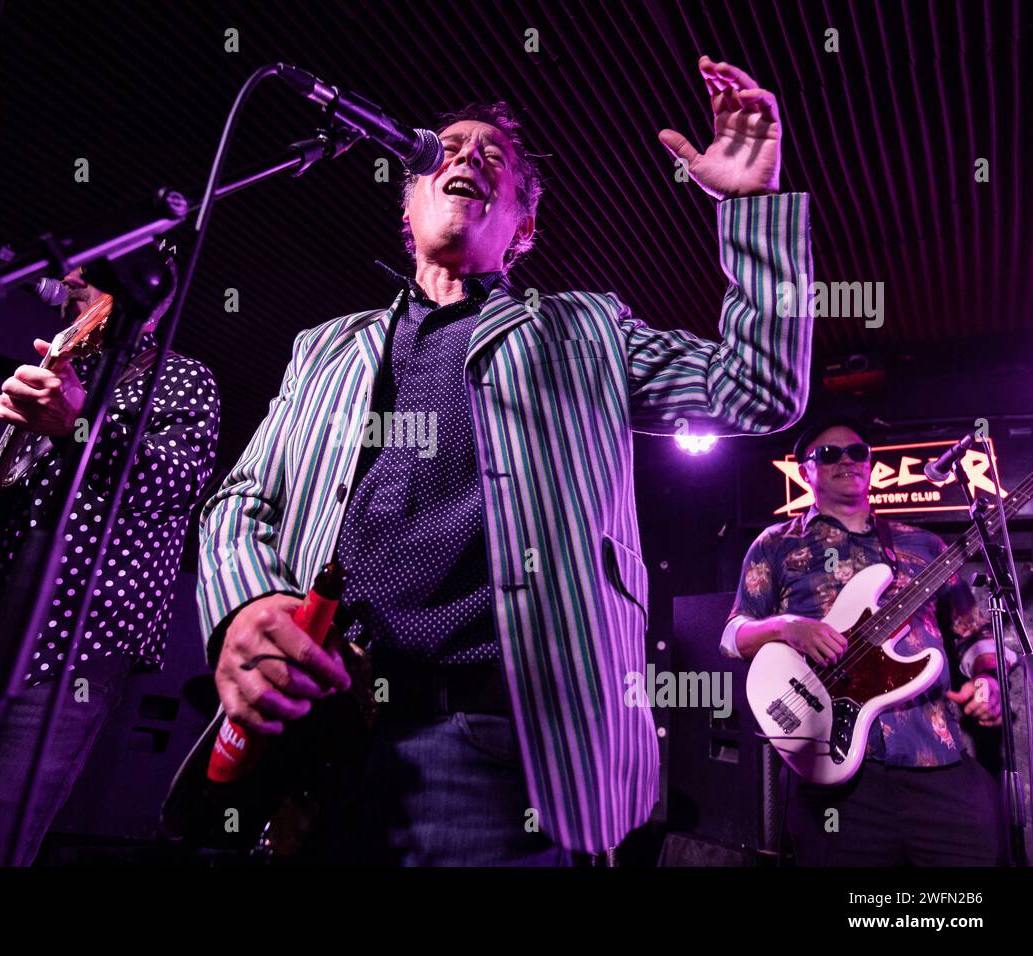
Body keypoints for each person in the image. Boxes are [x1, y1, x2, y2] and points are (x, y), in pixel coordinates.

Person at [197, 56, 814, 864]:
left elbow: (758, 389)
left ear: (523, 229)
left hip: (491, 750)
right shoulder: (324, 349)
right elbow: (241, 502)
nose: (465, 158)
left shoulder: (586, 331)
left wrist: (751, 209)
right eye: (448, 150)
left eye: (495, 160)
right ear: (409, 205)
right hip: (310, 741)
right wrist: (244, 609)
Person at [0, 267, 219, 864]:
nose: (73, 277)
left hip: (76, 642)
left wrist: (78, 424)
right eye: (71, 270)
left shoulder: (180, 377)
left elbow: (176, 484)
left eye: (98, 272)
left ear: (150, 301)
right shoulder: (56, 374)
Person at [722, 414, 1011, 865]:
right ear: (806, 472)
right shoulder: (775, 544)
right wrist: (788, 628)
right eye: (829, 454)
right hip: (835, 776)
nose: (846, 461)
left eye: (857, 452)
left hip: (936, 762)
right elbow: (733, 635)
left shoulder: (924, 545)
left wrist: (988, 681)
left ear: (870, 464)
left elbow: (973, 635)